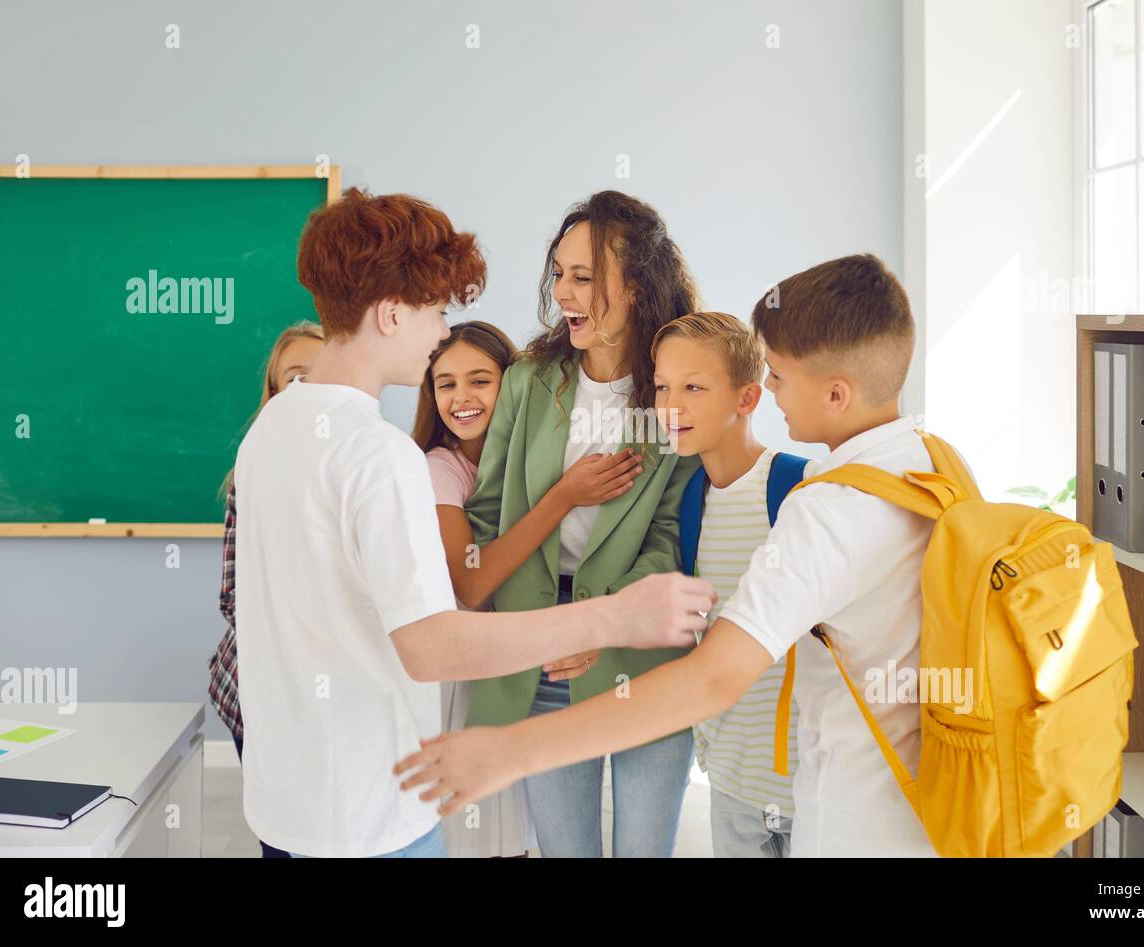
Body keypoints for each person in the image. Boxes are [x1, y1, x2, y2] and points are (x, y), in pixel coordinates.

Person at [398, 254, 940, 858]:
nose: (668, 406)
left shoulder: (815, 502)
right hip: (784, 781)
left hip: (843, 805)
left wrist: (513, 750)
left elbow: (712, 677)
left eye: (780, 378)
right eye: (661, 387)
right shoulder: (926, 461)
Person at [233, 187, 713, 858]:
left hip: (285, 806)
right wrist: (608, 618)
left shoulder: (270, 427)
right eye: (435, 312)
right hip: (372, 815)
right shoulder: (382, 456)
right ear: (393, 314)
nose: (440, 333)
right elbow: (432, 646)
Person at [462, 191, 704, 857]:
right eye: (559, 274)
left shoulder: (675, 391)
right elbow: (486, 512)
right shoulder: (529, 380)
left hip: (644, 653)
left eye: (584, 276)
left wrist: (610, 622)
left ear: (638, 285)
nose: (563, 291)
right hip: (540, 650)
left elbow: (673, 534)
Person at [412, 319, 643, 857]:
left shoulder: (533, 456)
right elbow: (470, 584)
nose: (462, 397)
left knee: (522, 832)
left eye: (479, 381)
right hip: (470, 676)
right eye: (445, 384)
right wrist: (562, 499)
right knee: (479, 834)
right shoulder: (440, 470)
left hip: (516, 668)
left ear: (511, 385)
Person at [651, 310, 802, 857]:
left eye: (694, 386)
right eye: (663, 387)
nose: (672, 405)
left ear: (747, 398)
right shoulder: (691, 500)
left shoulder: (796, 487)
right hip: (733, 787)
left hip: (809, 788)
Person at [207, 319, 323, 858]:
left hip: (325, 699)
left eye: (317, 376)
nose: (304, 390)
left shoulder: (366, 463)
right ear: (273, 396)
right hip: (255, 692)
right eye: (290, 380)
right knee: (281, 840)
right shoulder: (253, 473)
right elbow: (233, 599)